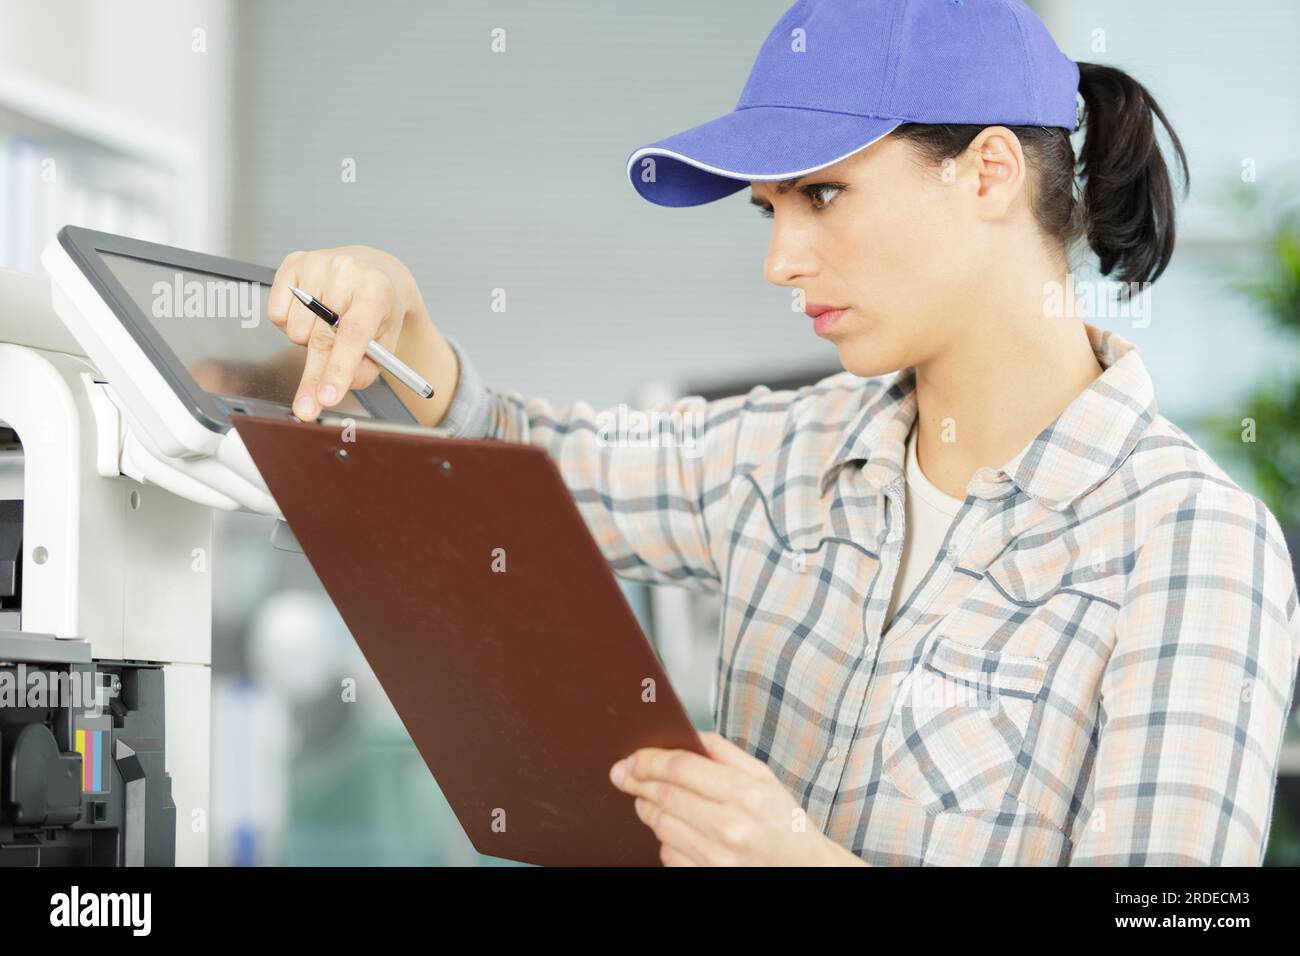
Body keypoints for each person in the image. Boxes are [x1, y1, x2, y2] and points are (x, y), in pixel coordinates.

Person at [266, 0, 1300, 866]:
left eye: (822, 193)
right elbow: (510, 464)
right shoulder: (784, 453)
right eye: (769, 211)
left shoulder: (1191, 546)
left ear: (987, 174)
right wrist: (402, 325)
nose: (782, 260)